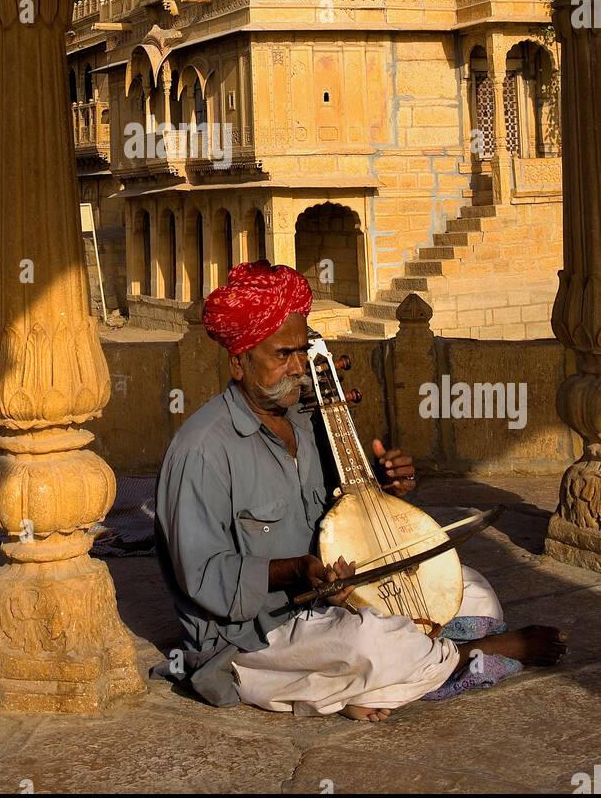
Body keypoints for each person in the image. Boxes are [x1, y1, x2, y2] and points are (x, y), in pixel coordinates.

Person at [154, 260, 567, 720]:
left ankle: (354, 686)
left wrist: (387, 484)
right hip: (255, 631)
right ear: (238, 361)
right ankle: (463, 656)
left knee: (471, 592)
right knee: (371, 642)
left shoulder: (309, 424)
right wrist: (294, 570)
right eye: (282, 356)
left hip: (333, 593)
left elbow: (345, 515)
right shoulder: (201, 450)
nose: (298, 367)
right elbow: (202, 575)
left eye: (302, 352)